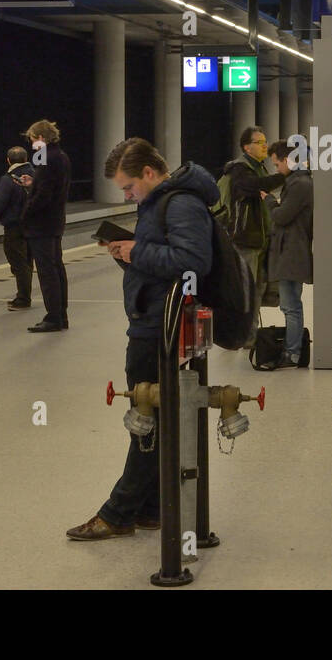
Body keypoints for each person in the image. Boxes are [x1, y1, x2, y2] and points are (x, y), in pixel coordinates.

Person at [66, 138, 218, 541]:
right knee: (156, 418)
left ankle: (118, 513)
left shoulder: (180, 203)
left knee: (147, 419)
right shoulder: (159, 203)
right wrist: (125, 252)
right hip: (153, 322)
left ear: (149, 173)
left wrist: (137, 253)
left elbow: (192, 263)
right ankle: (151, 507)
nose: (128, 195)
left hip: (160, 330)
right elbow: (160, 260)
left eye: (129, 187)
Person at [225, 127, 286, 338]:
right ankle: (241, 335)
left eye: (265, 141)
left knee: (258, 289)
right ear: (246, 147)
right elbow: (256, 186)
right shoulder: (239, 170)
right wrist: (284, 175)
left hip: (260, 240)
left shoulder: (259, 167)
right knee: (246, 291)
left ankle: (249, 335)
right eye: (259, 142)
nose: (264, 145)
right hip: (245, 240)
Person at [262, 140, 313, 368]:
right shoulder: (298, 181)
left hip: (292, 252)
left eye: (277, 164)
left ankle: (291, 353)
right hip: (292, 250)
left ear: (287, 160)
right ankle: (292, 350)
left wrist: (270, 201)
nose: (276, 169)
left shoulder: (300, 183)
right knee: (291, 304)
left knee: (290, 305)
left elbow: (282, 216)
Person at [18, 119, 71, 332]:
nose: (31, 144)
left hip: (42, 224)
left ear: (40, 138)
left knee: (47, 271)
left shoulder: (46, 156)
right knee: (56, 267)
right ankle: (61, 314)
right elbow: (47, 182)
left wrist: (25, 214)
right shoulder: (61, 156)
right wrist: (33, 183)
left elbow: (44, 194)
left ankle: (53, 317)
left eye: (32, 139)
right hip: (56, 220)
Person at [0, 146, 35, 310]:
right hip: (32, 225)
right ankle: (26, 294)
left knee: (17, 261)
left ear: (8, 160)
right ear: (26, 159)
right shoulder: (35, 175)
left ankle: (23, 298)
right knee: (28, 260)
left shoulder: (8, 179)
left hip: (14, 225)